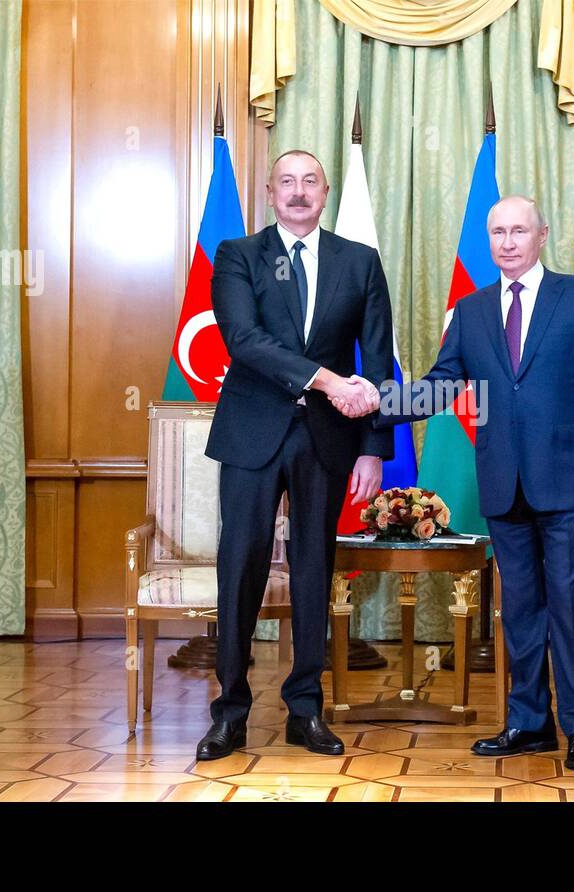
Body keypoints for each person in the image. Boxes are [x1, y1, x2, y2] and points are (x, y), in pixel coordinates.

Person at [355, 195, 574, 770]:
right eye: (497, 232)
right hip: (502, 483)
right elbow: (441, 385)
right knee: (519, 609)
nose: (507, 242)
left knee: (570, 606)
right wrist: (376, 400)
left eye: (518, 231)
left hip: (570, 485)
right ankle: (529, 723)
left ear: (542, 236)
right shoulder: (472, 311)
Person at [198, 149, 392, 761]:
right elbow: (245, 341)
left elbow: (380, 361)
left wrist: (374, 450)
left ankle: (305, 709)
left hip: (329, 440)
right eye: (288, 182)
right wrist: (329, 382)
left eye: (310, 182)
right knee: (242, 564)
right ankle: (229, 710)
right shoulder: (237, 256)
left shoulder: (359, 262)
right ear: (269, 192)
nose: (299, 192)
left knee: (314, 570)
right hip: (253, 432)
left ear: (326, 191)